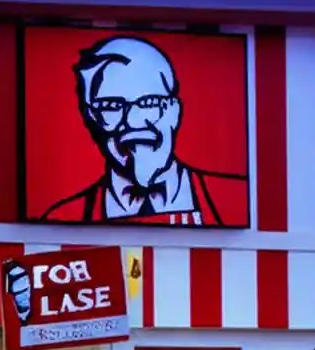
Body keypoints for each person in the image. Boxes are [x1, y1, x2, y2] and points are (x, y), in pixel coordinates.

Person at [39, 35, 246, 226]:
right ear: (91, 119)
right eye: (112, 106)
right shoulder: (62, 218)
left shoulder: (237, 199)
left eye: (149, 102)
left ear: (174, 111)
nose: (133, 122)